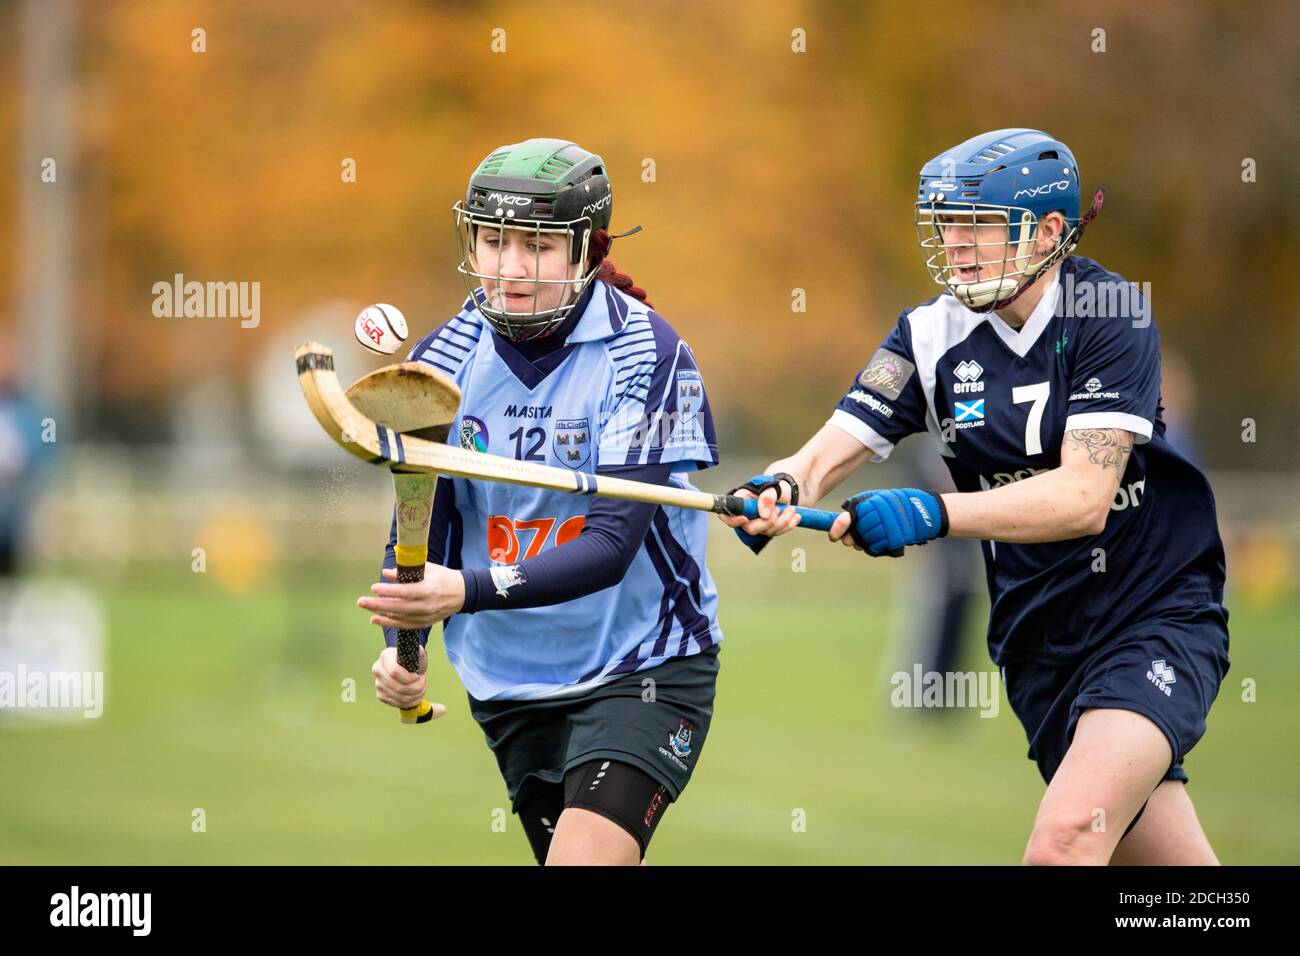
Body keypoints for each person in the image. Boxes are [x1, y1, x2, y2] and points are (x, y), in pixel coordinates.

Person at [724, 129, 1229, 865]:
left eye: (980, 224)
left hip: (1151, 614)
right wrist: (782, 486)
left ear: (1048, 232)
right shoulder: (928, 335)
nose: (955, 243)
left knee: (1062, 843)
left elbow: (1083, 497)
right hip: (1038, 638)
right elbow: (831, 446)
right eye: (947, 224)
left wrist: (931, 514)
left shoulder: (1110, 312)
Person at [356, 138, 722, 866]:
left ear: (587, 250)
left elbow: (609, 548)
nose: (511, 268)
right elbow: (421, 529)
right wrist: (404, 649)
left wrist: (461, 592)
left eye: (538, 246)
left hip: (642, 665)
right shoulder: (443, 359)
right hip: (510, 684)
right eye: (494, 241)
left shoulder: (647, 355)